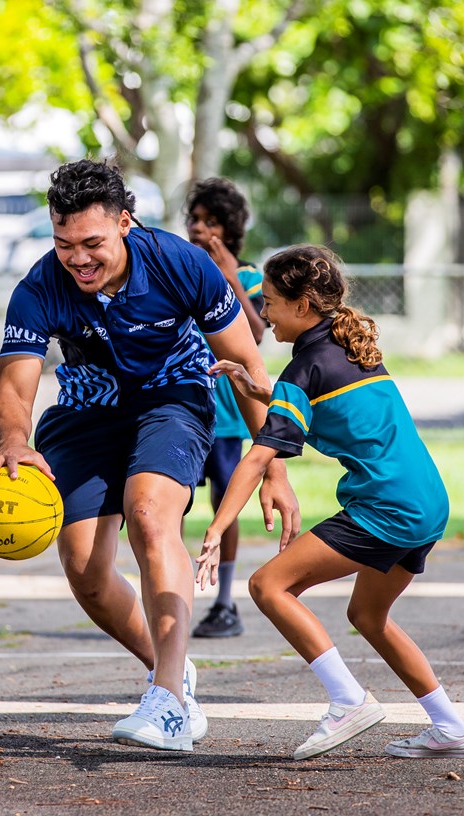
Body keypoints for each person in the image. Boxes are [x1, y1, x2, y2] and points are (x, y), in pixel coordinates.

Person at [0, 159, 299, 752]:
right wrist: (13, 441)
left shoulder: (180, 262)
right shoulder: (41, 285)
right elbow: (13, 390)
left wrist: (272, 464)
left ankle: (168, 701)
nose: (78, 259)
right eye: (64, 243)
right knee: (84, 568)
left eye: (92, 243)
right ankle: (169, 674)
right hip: (87, 409)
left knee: (149, 514)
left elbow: (249, 371)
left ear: (125, 222)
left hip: (174, 398)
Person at [197, 244, 464, 760]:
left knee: (268, 584)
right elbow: (321, 405)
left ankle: (348, 700)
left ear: (303, 306)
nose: (263, 313)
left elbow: (259, 458)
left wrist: (217, 528)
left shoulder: (305, 369)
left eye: (271, 303)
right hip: (425, 502)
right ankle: (451, 727)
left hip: (386, 508)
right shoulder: (346, 348)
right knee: (368, 617)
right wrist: (257, 389)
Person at [184, 178, 265, 639]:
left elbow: (254, 334)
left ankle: (224, 600)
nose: (199, 229)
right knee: (168, 500)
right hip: (186, 401)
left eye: (210, 221)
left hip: (230, 410)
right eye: (194, 220)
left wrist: (230, 275)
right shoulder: (180, 268)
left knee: (224, 500)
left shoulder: (249, 275)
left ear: (229, 228)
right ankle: (171, 589)